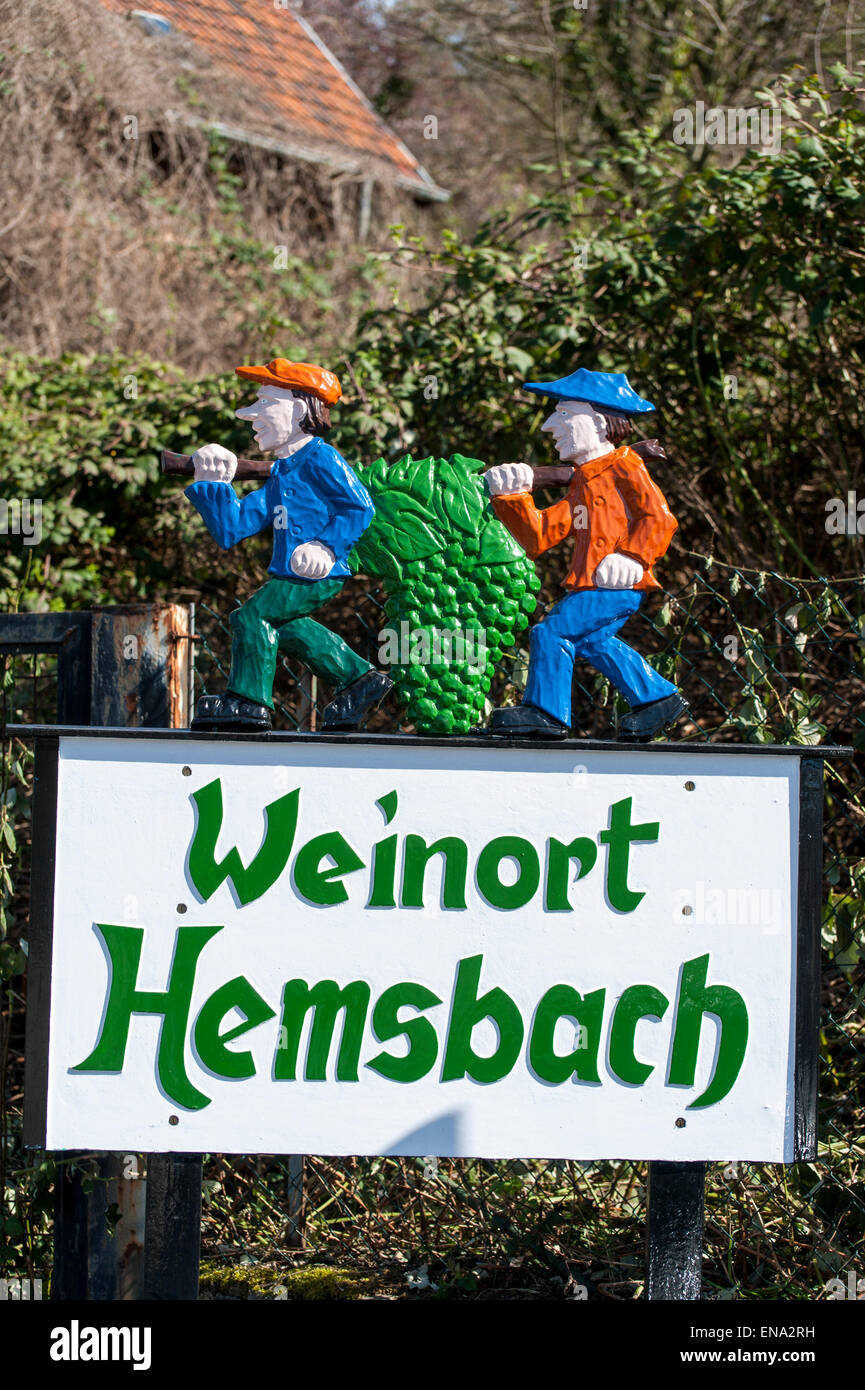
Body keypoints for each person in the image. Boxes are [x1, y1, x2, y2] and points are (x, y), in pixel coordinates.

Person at [186, 357, 392, 732]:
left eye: (264, 405)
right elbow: (232, 528)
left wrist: (327, 547)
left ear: (299, 409)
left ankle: (249, 702)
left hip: (320, 570)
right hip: (290, 571)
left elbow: (359, 505)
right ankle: (358, 680)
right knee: (286, 625)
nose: (250, 415)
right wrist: (212, 484)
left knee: (252, 616)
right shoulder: (282, 472)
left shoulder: (321, 458)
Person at [484, 368, 687, 740]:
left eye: (562, 415)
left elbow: (658, 517)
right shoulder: (583, 482)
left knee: (551, 632)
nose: (549, 426)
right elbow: (540, 536)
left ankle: (545, 712)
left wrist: (632, 556)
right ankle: (657, 699)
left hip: (615, 583)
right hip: (592, 584)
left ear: (597, 424)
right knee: (594, 643)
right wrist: (510, 497)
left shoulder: (626, 465)